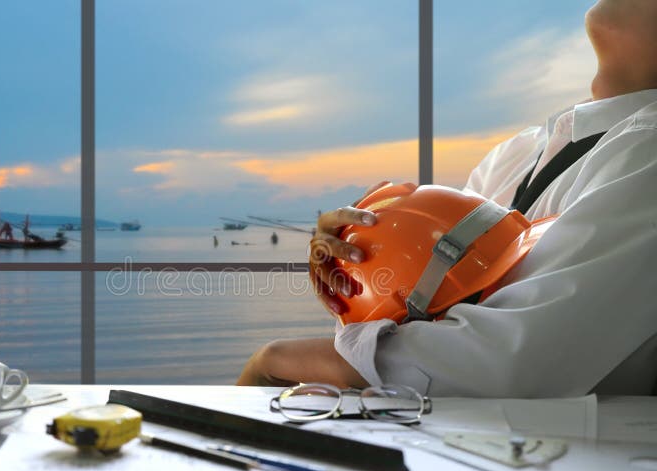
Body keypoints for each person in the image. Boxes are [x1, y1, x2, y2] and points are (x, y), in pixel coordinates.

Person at [237, 0, 657, 397]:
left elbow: (506, 363)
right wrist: (361, 278)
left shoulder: (646, 153)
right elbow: (434, 323)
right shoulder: (519, 154)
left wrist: (278, 361)